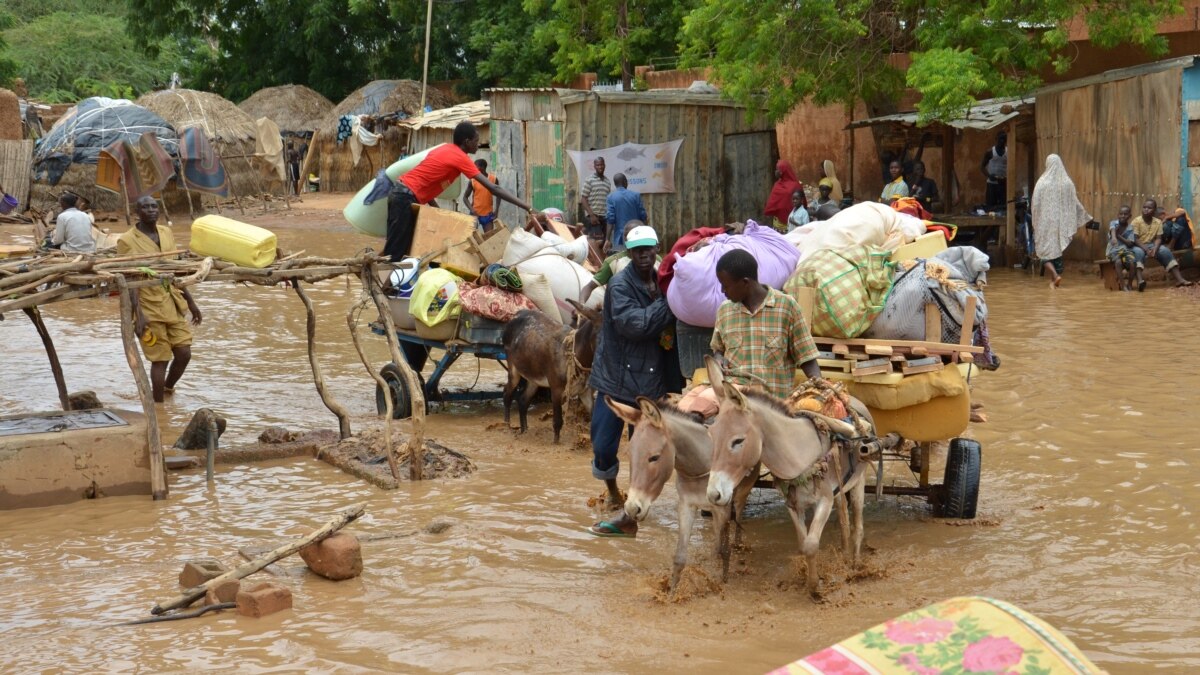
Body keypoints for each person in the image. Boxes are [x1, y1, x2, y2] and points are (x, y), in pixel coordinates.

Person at [587, 225, 678, 538]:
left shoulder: (662, 280)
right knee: (603, 445)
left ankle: (634, 503)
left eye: (648, 250)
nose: (644, 255)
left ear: (656, 249)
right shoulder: (619, 286)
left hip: (651, 382)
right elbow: (636, 325)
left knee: (645, 449)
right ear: (628, 253)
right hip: (616, 378)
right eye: (638, 251)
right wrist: (669, 302)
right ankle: (613, 492)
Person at [385, 121, 535, 262]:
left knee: (405, 247)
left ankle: (389, 277)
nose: (478, 144)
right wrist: (528, 207)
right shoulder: (460, 157)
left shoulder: (445, 149)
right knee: (396, 253)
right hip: (405, 197)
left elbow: (424, 183)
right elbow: (493, 188)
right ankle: (385, 279)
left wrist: (440, 212)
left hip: (402, 193)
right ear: (467, 142)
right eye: (476, 140)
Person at [117, 197, 202, 402]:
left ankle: (167, 389)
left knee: (184, 353)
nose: (151, 210)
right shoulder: (127, 240)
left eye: (154, 206)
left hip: (172, 301)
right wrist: (138, 315)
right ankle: (159, 408)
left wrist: (191, 302)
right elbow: (129, 279)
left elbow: (174, 271)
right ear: (137, 212)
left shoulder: (166, 232)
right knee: (160, 359)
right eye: (145, 207)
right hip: (148, 305)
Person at [711, 249, 820, 399]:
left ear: (745, 283)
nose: (722, 290)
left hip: (774, 405)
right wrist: (718, 359)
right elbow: (719, 349)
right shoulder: (725, 311)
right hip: (737, 403)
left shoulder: (787, 307)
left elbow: (807, 358)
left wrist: (821, 389)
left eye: (726, 285)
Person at [1031, 154, 1093, 288]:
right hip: (1061, 223)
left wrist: (1035, 220)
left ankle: (1055, 275)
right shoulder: (1067, 183)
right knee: (1056, 249)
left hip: (1045, 223)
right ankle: (1054, 280)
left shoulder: (1042, 182)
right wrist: (1085, 216)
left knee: (1044, 251)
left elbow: (1035, 204)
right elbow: (1074, 202)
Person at [579, 220, 658, 305]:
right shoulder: (614, 262)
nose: (628, 238)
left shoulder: (656, 260)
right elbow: (590, 286)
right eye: (626, 235)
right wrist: (581, 304)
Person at [1130, 198, 1192, 287]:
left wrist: (1155, 249)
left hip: (1152, 244)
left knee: (1165, 251)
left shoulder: (1158, 222)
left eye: (1149, 208)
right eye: (1144, 207)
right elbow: (1135, 239)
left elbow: (1158, 238)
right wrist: (1147, 250)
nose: (1146, 209)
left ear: (1154, 211)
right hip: (1138, 245)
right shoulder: (1136, 221)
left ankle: (1180, 280)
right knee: (1138, 252)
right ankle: (1140, 281)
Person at [604, 173, 647, 253]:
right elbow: (643, 216)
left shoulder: (611, 197)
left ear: (615, 184)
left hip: (620, 237)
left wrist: (607, 239)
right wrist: (645, 232)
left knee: (622, 257)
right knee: (637, 255)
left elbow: (610, 219)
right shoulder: (636, 195)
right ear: (625, 182)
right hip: (637, 235)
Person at [1107, 206, 1140, 292]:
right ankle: (1123, 285)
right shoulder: (1114, 223)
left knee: (1133, 262)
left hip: (1126, 250)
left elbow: (1130, 243)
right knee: (1118, 262)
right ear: (1118, 215)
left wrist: (1118, 236)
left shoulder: (1131, 228)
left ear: (1130, 216)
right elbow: (1113, 230)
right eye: (1121, 214)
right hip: (1113, 249)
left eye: (1125, 214)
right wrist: (1114, 237)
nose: (1123, 216)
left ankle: (1130, 284)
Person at [462, 159, 499, 231]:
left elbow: (499, 195)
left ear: (482, 168)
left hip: (488, 215)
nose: (473, 169)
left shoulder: (493, 179)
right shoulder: (473, 180)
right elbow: (465, 198)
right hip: (475, 214)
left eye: (475, 167)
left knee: (489, 236)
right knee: (471, 235)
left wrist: (497, 210)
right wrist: (472, 210)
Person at [765, 160, 804, 226]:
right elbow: (773, 203)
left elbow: (802, 201)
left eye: (777, 169)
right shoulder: (777, 184)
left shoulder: (796, 186)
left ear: (782, 171)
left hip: (793, 222)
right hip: (777, 223)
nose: (775, 171)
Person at [580, 157, 611, 239]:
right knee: (595, 242)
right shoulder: (589, 180)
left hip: (604, 218)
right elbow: (583, 199)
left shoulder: (607, 181)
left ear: (604, 165)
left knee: (603, 242)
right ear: (594, 166)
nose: (600, 167)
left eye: (601, 165)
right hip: (593, 218)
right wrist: (592, 215)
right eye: (598, 165)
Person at [981, 131, 1008, 209]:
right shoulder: (990, 152)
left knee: (1002, 208)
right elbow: (982, 167)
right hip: (992, 185)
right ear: (996, 139)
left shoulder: (1008, 152)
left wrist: (1006, 178)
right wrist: (989, 176)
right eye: (1000, 139)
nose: (1002, 141)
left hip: (1003, 184)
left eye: (1004, 139)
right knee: (991, 208)